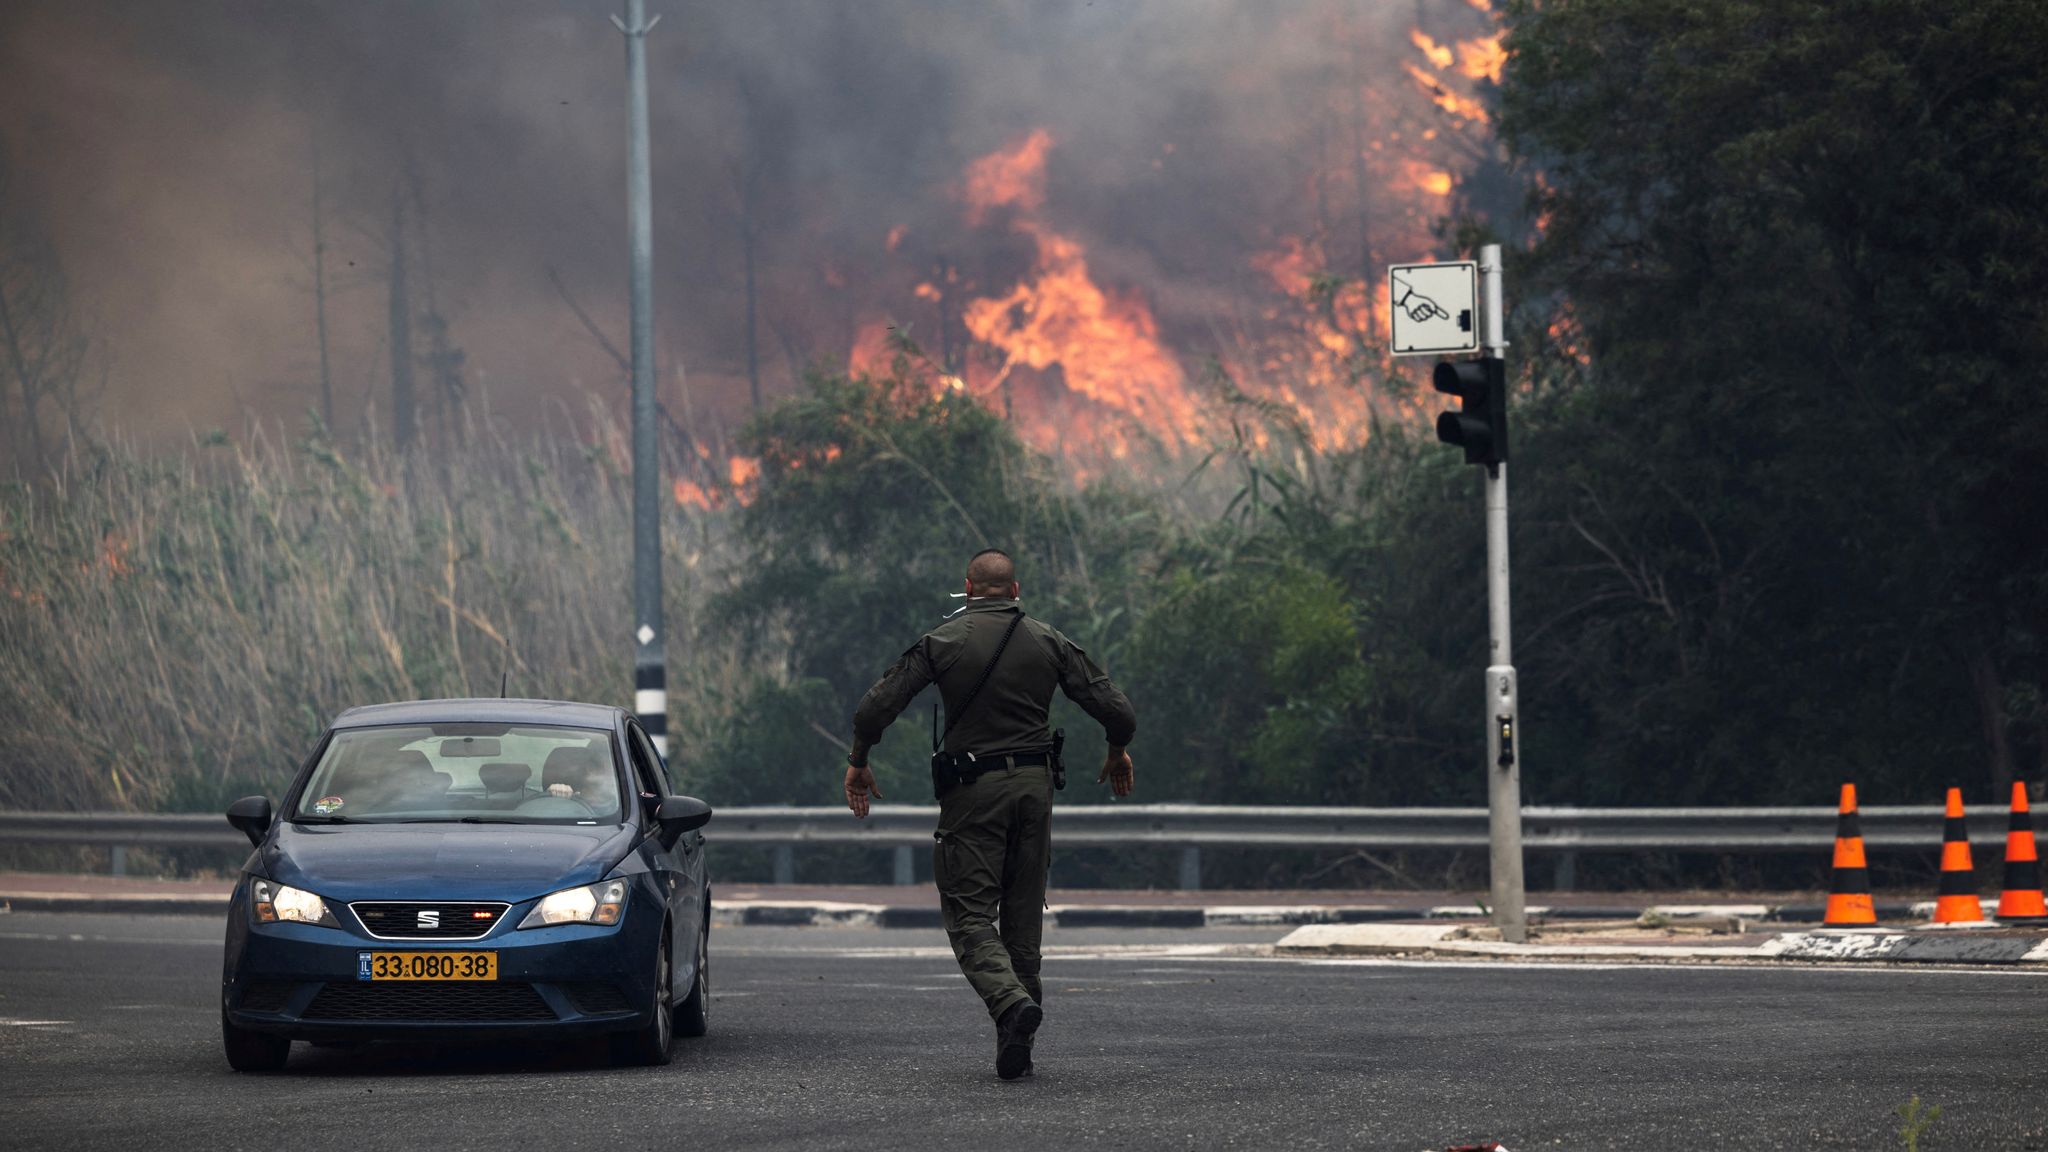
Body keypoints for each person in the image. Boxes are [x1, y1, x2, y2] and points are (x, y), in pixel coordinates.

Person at [843, 548, 1136, 1081]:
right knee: (1022, 920)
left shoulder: (943, 642)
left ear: (968, 588)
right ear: (1016, 590)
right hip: (1035, 789)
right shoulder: (1048, 641)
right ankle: (1016, 1036)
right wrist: (1116, 750)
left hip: (973, 793)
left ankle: (1009, 1003)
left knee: (970, 913)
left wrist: (859, 759)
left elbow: (874, 708)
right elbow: (1118, 709)